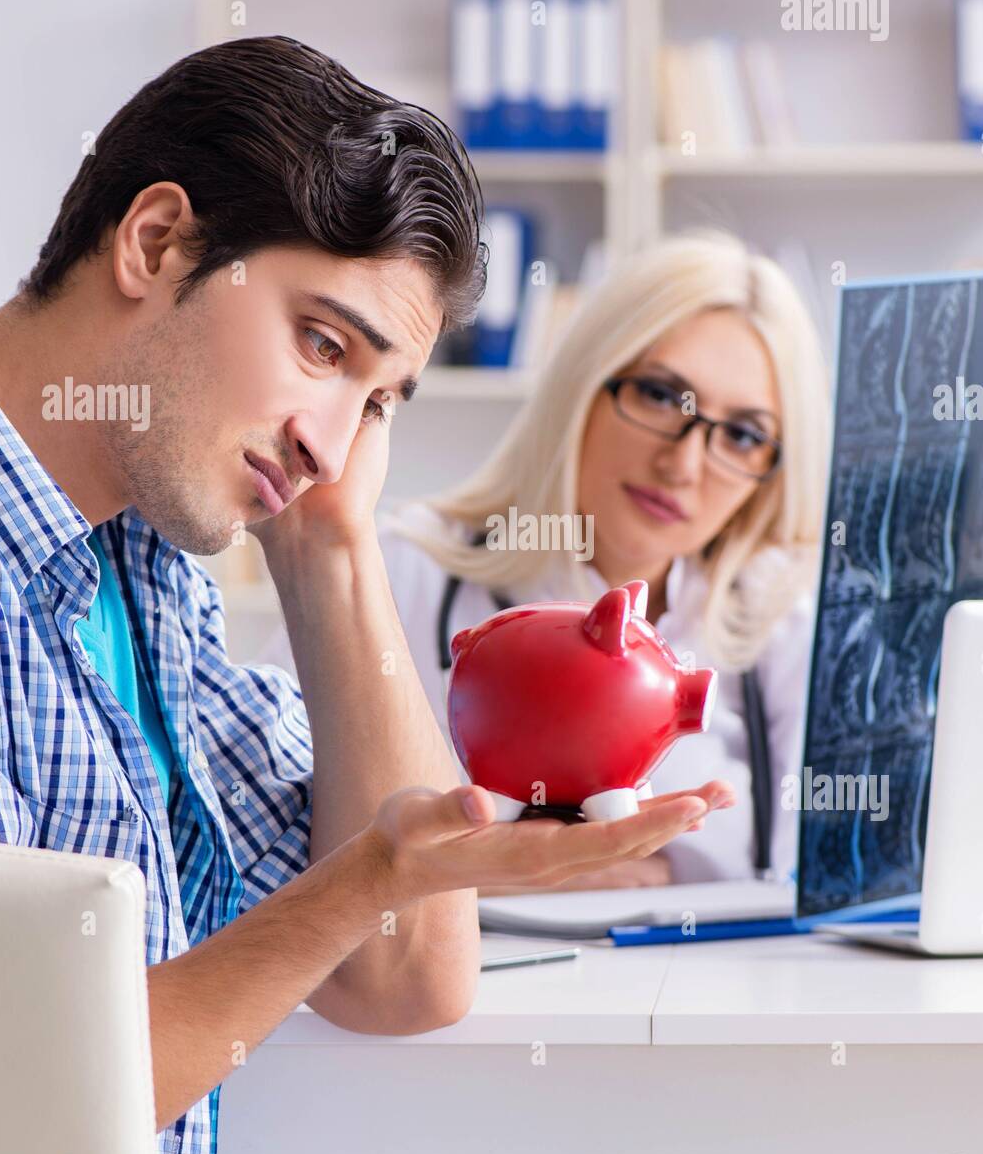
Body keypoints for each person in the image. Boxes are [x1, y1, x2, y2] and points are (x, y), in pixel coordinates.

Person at [0, 36, 731, 1154]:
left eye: (380, 400)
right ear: (155, 242)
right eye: (322, 343)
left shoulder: (145, 571)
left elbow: (407, 975)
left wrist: (333, 546)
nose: (333, 443)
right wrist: (376, 873)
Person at [265, 231, 831, 890]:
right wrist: (598, 873)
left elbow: (817, 881)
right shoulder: (395, 571)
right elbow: (260, 839)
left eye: (741, 435)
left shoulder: (783, 628)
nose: (683, 464)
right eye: (657, 395)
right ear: (581, 388)